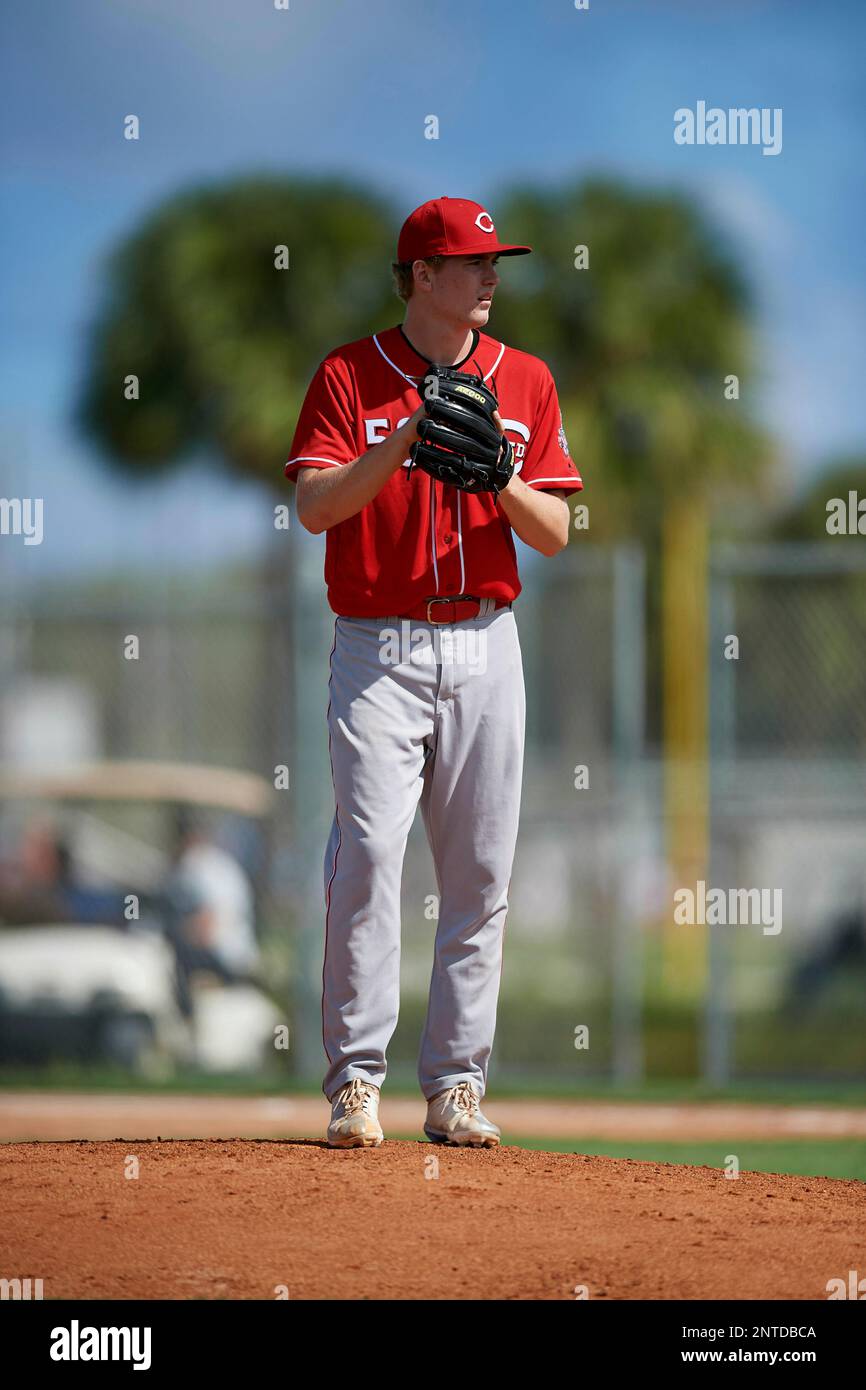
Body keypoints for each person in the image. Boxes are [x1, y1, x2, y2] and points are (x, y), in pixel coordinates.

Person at [285, 196, 584, 1148]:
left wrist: (500, 473)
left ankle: (456, 1086)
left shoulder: (525, 378)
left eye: (497, 262)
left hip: (487, 641)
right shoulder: (349, 374)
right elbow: (315, 507)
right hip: (378, 645)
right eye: (473, 263)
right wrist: (404, 439)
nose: (492, 276)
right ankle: (356, 1083)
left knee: (481, 869)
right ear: (422, 275)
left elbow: (558, 531)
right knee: (370, 854)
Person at [163, 808, 261, 1022]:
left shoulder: (194, 864)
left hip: (223, 957)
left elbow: (205, 928)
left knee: (169, 954)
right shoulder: (222, 863)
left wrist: (169, 933)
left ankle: (184, 1022)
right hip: (242, 954)